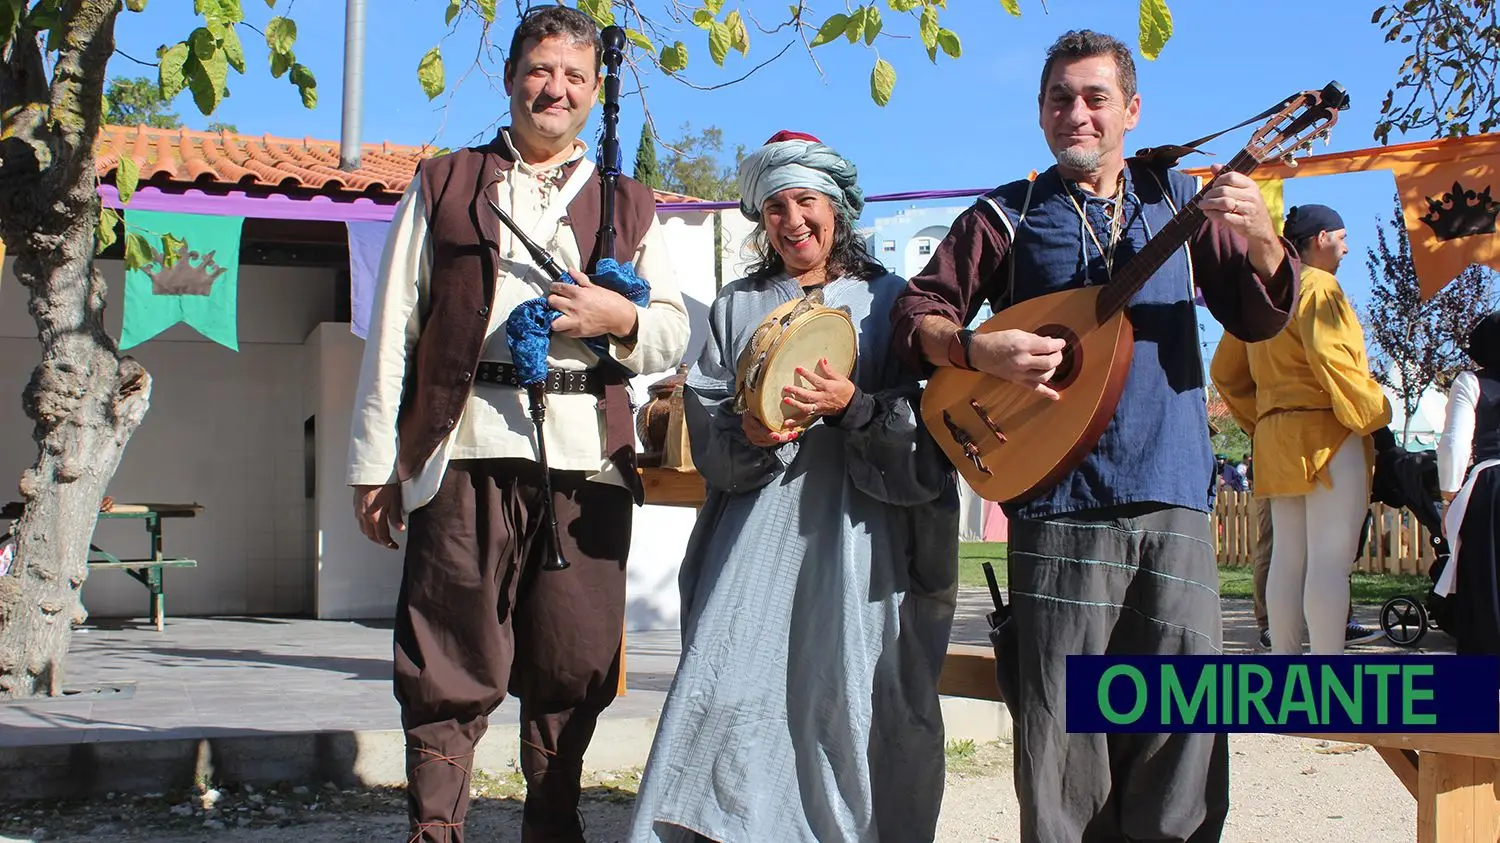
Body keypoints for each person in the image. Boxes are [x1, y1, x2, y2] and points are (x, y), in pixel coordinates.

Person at [890, 29, 1300, 842]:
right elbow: (915, 314)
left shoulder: (1185, 203)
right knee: (1062, 734)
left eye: (1095, 97)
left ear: (1132, 111)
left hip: (1172, 495)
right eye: (1059, 98)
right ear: (1041, 114)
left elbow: (1257, 314)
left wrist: (1259, 237)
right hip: (1055, 503)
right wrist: (978, 349)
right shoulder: (1008, 214)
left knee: (1181, 727)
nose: (1076, 113)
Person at [345, 7, 690, 841]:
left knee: (573, 656)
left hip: (587, 464)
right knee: (446, 654)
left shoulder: (633, 204)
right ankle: (435, 826)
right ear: (510, 78)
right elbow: (395, 325)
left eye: (575, 76)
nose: (556, 89)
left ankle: (554, 820)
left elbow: (678, 330)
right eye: (541, 70)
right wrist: (373, 461)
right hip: (462, 451)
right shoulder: (445, 182)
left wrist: (619, 315)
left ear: (595, 89)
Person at [628, 130, 960, 843]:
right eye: (774, 207)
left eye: (805, 201)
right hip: (753, 539)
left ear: (836, 208)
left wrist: (852, 405)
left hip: (858, 540)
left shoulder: (888, 301)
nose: (791, 219)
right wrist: (746, 435)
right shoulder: (734, 306)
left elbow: (926, 426)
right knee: (729, 686)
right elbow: (711, 415)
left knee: (848, 695)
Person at [1212, 203, 1392, 657]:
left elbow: (1225, 371)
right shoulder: (1319, 286)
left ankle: (1285, 663)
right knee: (1330, 562)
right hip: (1327, 432)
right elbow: (1330, 357)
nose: (1348, 246)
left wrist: (1261, 419)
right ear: (1319, 240)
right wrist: (1376, 414)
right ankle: (1326, 671)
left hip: (1277, 437)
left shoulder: (1257, 294)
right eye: (1343, 236)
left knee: (1287, 562)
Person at [1436, 310, 1500, 654]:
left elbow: (1455, 442)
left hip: (1490, 483)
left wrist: (1449, 494)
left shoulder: (1471, 382)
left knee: (1484, 585)